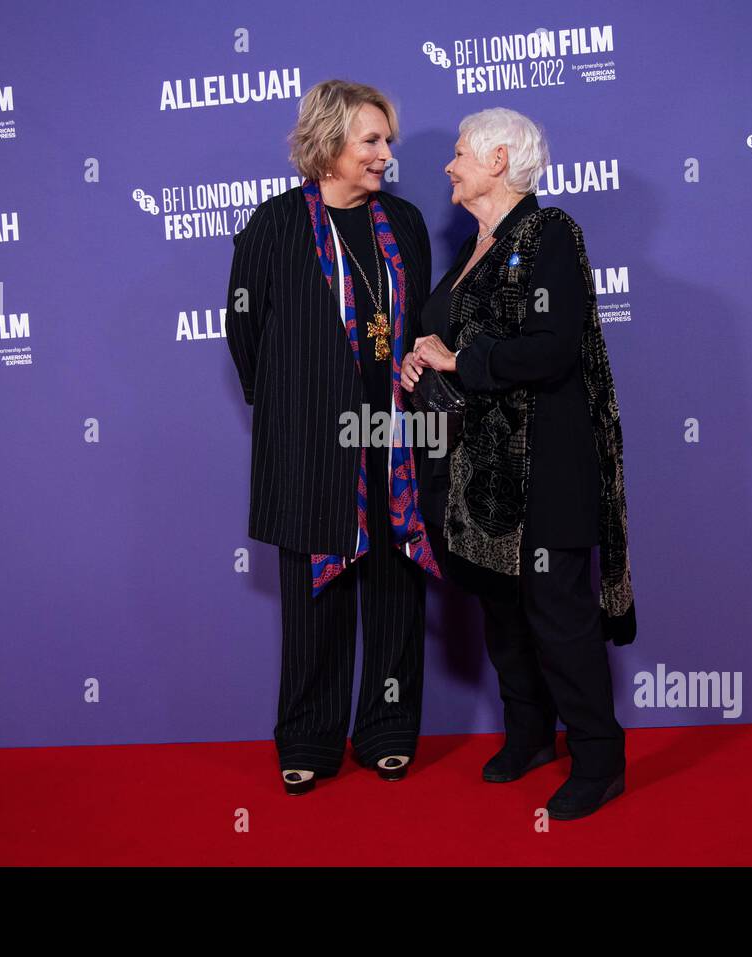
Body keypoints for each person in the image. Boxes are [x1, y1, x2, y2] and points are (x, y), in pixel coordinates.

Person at [404, 107, 638, 820]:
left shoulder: (550, 234)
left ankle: (599, 759)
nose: (449, 166)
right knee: (501, 615)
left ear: (499, 160)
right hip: (477, 478)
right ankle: (531, 736)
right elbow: (454, 345)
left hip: (542, 468)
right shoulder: (475, 249)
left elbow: (550, 347)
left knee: (559, 618)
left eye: (459, 154)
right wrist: (424, 360)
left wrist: (458, 358)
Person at [225, 79, 439, 795]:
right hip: (311, 442)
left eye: (387, 141)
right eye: (371, 141)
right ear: (327, 143)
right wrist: (295, 403)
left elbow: (412, 331)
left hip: (393, 440)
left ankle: (387, 729)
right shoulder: (274, 225)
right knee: (312, 602)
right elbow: (244, 331)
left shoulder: (404, 223)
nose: (385, 155)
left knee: (393, 591)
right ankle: (310, 738)